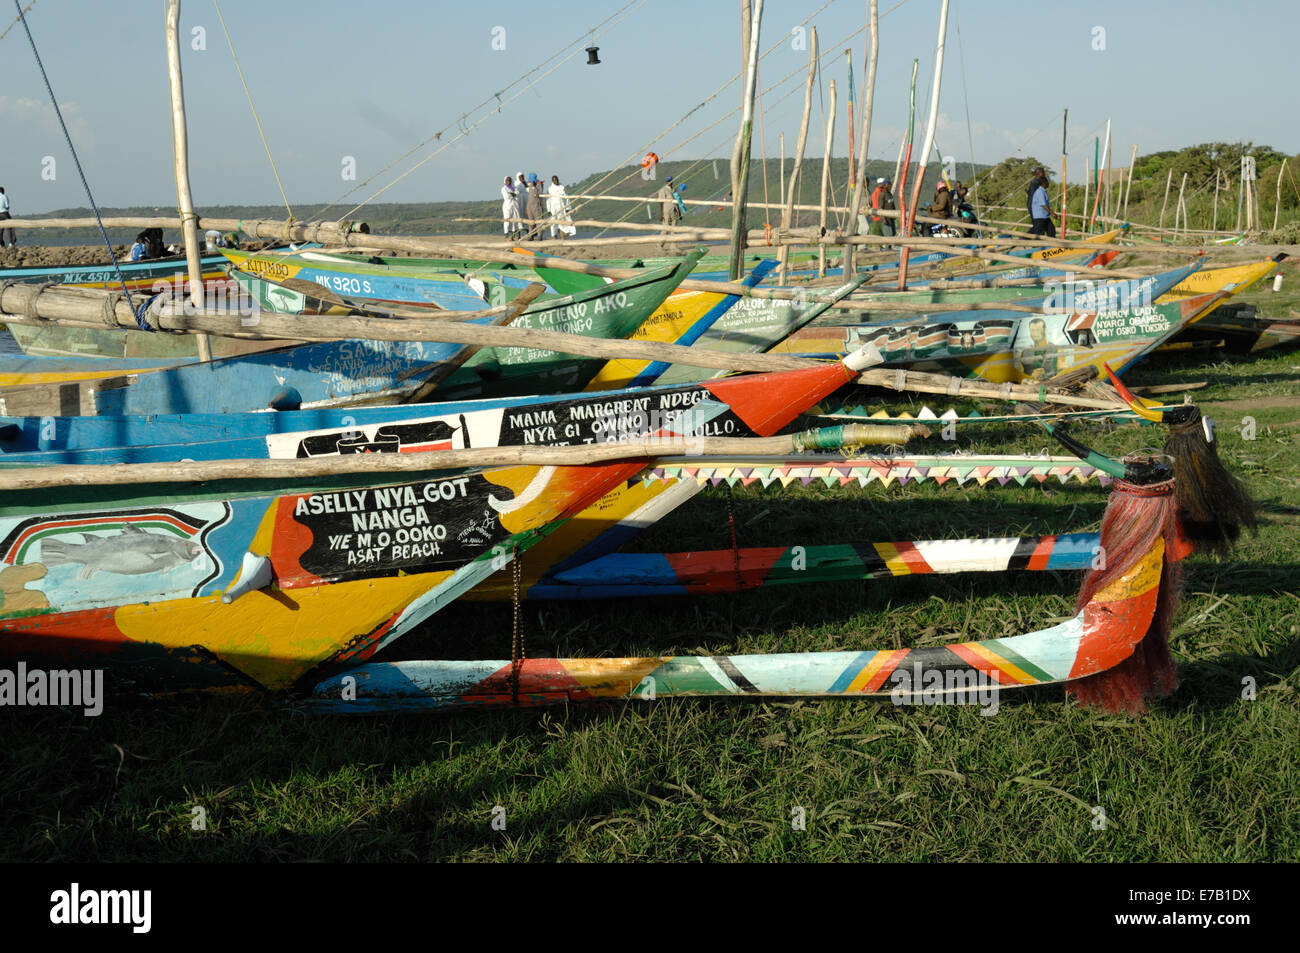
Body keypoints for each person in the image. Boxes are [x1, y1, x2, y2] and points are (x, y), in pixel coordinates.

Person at [547, 175, 577, 240]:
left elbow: (566, 198)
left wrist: (568, 208)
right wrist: (549, 210)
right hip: (553, 208)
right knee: (553, 222)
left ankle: (563, 236)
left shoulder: (562, 187)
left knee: (563, 222)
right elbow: (548, 200)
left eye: (557, 179)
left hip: (562, 207)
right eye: (554, 180)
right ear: (552, 181)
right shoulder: (550, 189)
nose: (556, 181)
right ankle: (554, 237)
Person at [1029, 170, 1056, 237]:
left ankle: (1052, 245)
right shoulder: (1040, 192)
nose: (1048, 184)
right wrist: (1052, 213)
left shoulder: (1043, 191)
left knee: (1051, 231)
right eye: (1047, 182)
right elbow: (1043, 205)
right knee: (1039, 235)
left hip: (1045, 216)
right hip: (1039, 217)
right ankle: (1036, 246)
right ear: (1044, 183)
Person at [525, 174, 546, 241]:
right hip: (529, 206)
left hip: (537, 206)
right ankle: (531, 236)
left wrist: (534, 187)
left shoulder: (539, 184)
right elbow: (529, 196)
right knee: (531, 222)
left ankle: (540, 236)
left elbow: (539, 194)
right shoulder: (530, 185)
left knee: (539, 221)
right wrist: (527, 207)